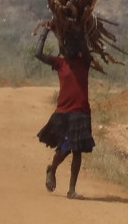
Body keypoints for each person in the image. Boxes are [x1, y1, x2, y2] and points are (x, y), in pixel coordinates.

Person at [34, 26, 95, 199]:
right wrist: (44, 32)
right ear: (63, 47)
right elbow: (38, 54)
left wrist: (80, 33)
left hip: (81, 112)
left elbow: (85, 48)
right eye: (68, 45)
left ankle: (72, 190)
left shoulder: (85, 62)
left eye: (75, 45)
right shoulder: (59, 63)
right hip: (63, 112)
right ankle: (52, 169)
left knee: (77, 151)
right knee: (64, 149)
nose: (72, 48)